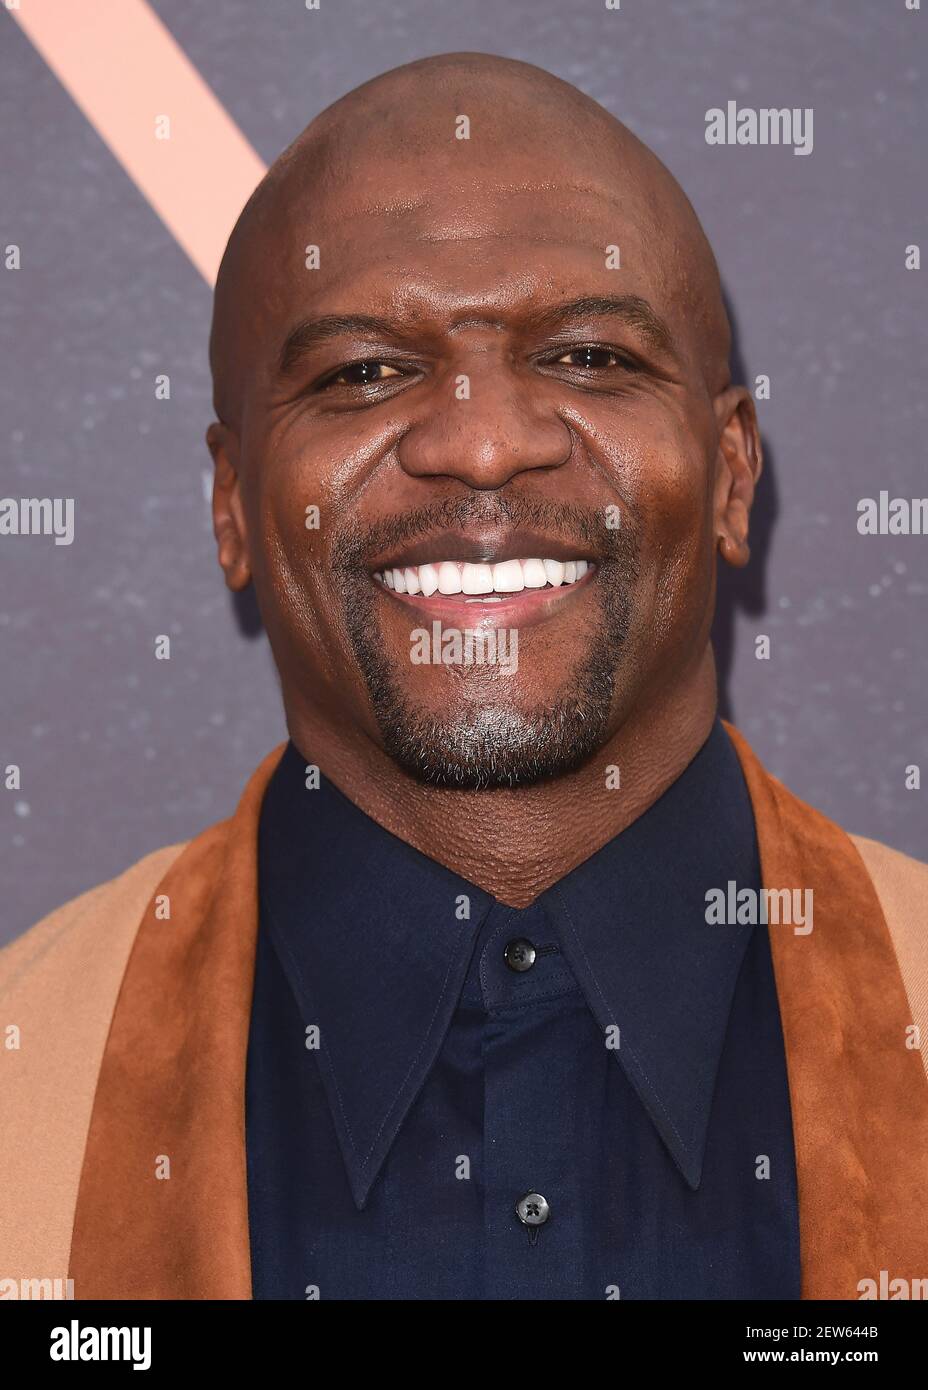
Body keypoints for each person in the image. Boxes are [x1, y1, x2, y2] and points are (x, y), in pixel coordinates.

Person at [2, 52, 926, 1302]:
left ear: (731, 474)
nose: (484, 444)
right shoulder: (24, 1078)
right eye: (364, 372)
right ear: (231, 504)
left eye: (591, 357)